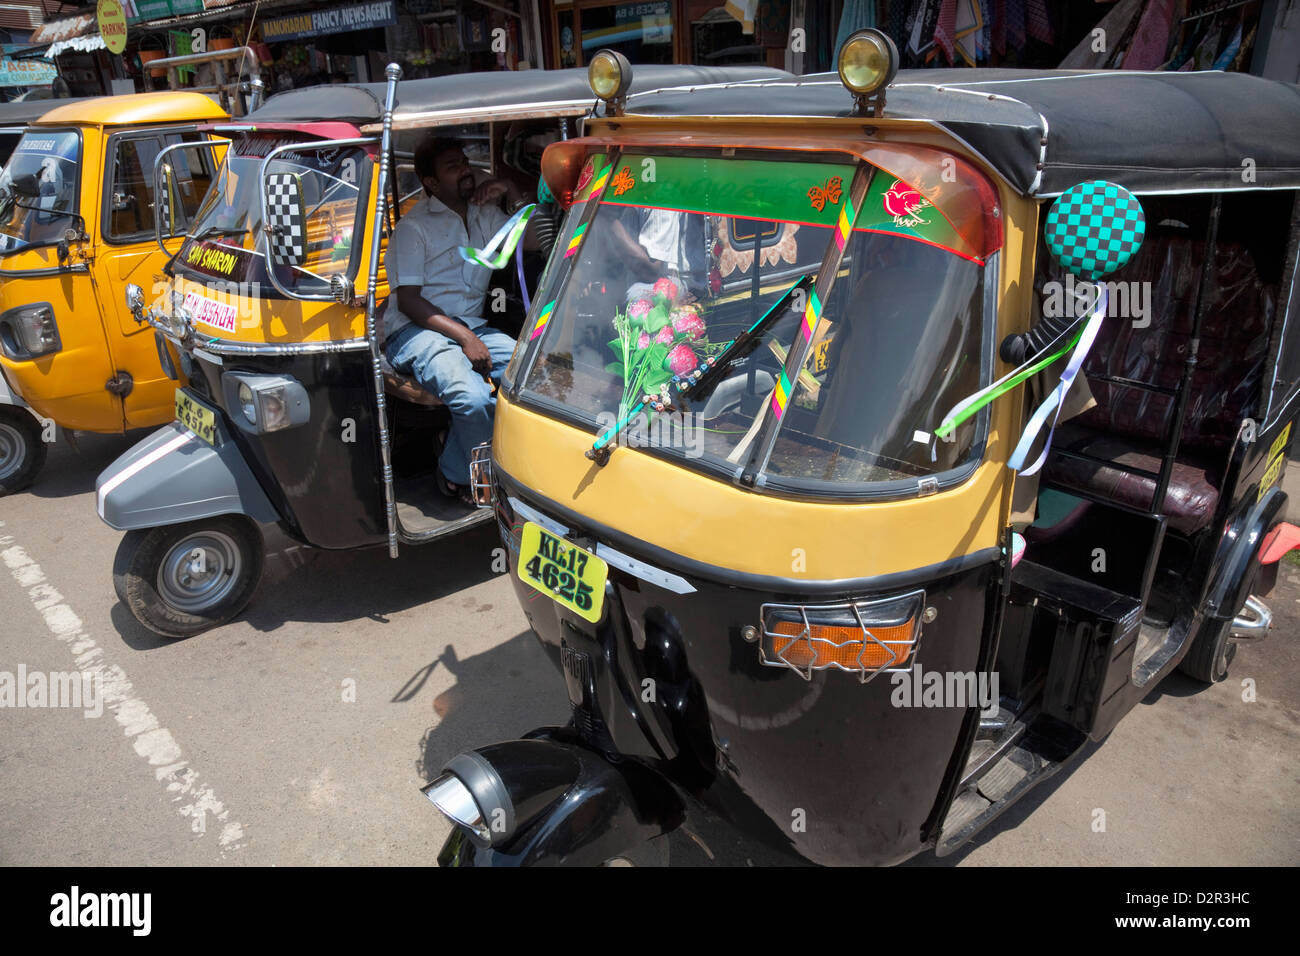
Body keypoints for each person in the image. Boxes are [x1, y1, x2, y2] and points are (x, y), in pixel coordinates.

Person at [384, 135, 536, 505]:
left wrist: (512, 188)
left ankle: (474, 452)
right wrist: (465, 338)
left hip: (471, 326)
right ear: (431, 184)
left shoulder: (485, 214)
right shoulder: (414, 227)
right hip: (415, 330)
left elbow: (533, 242)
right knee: (473, 398)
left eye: (465, 162)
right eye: (453, 167)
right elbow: (408, 300)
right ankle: (455, 475)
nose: (466, 171)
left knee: (534, 379)